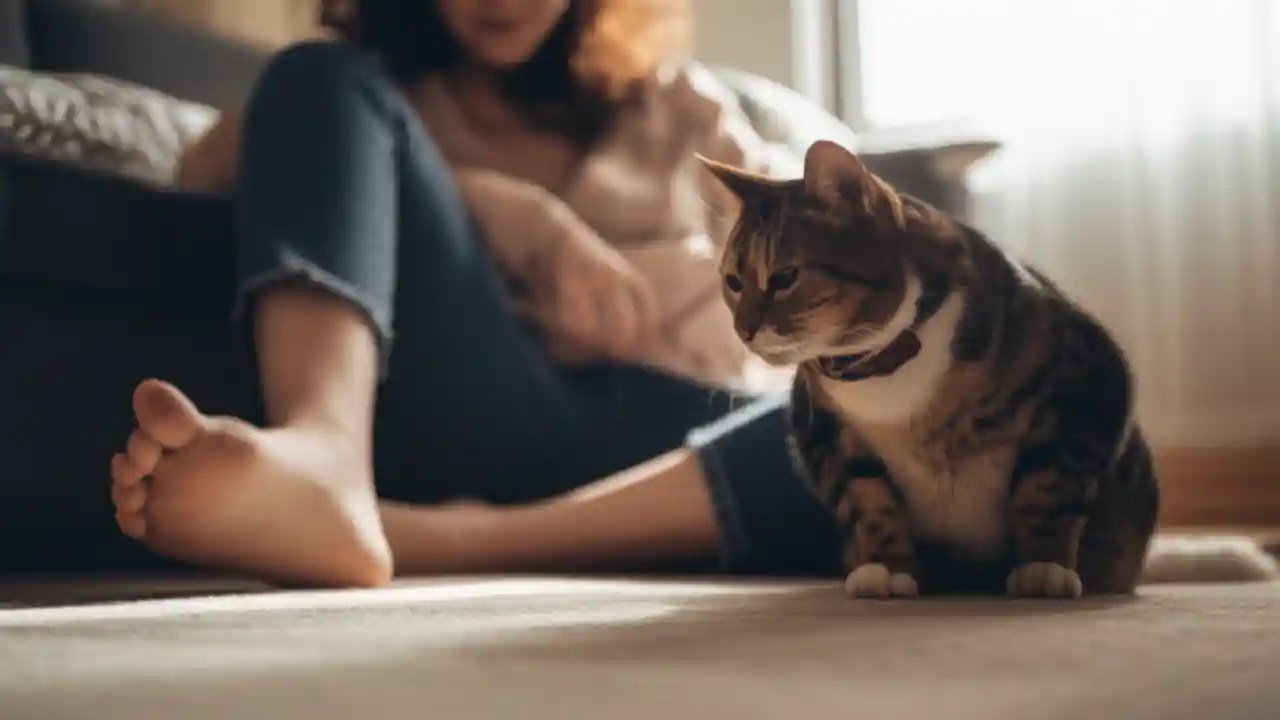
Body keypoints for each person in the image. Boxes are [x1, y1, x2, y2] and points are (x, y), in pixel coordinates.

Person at [105, 0, 839, 587]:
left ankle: (421, 538)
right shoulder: (387, 96)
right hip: (486, 407)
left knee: (842, 435)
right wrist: (508, 215)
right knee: (313, 72)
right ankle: (322, 457)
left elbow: (804, 284)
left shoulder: (681, 107)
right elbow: (208, 167)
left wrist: (656, 308)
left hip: (675, 439)